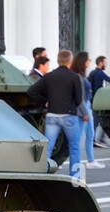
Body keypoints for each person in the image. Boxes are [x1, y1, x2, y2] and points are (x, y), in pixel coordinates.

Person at [27, 48, 86, 179]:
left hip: (52, 115)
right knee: (74, 147)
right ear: (70, 61)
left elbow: (31, 91)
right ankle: (75, 177)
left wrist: (46, 101)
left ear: (58, 61)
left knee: (48, 147)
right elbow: (78, 99)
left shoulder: (49, 76)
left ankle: (43, 173)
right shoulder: (74, 77)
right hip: (69, 116)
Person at [72, 52, 105, 169]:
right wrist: (84, 112)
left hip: (86, 105)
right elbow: (79, 95)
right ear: (83, 61)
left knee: (90, 134)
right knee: (79, 136)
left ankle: (90, 160)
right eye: (88, 59)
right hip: (83, 106)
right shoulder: (78, 76)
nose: (90, 61)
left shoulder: (82, 74)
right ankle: (76, 162)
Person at [90, 56, 110, 148]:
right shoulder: (100, 73)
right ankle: (95, 140)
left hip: (93, 100)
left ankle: (98, 139)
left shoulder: (92, 73)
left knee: (99, 120)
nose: (106, 64)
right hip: (99, 100)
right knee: (99, 120)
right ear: (100, 62)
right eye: (105, 62)